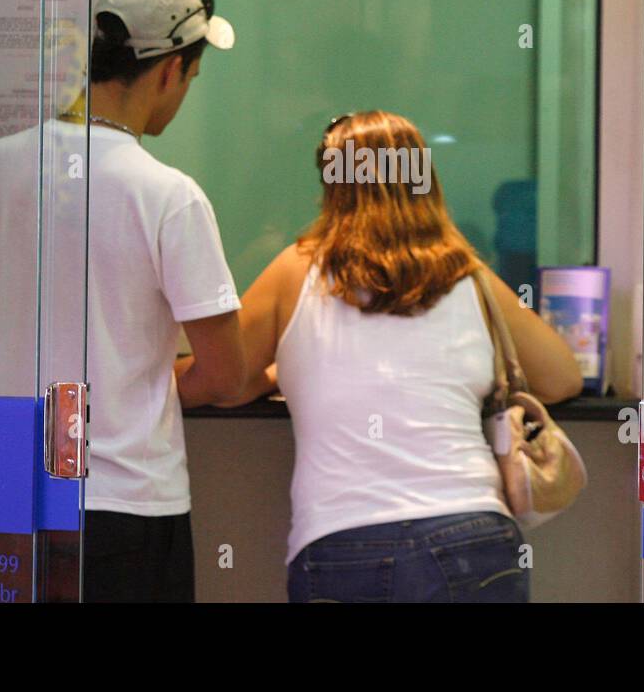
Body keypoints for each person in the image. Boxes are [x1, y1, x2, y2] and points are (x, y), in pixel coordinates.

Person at [0, 0, 248, 601]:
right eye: (191, 77)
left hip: (16, 506)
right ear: (170, 72)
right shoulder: (169, 197)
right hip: (128, 509)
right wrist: (129, 393)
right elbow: (224, 374)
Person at [197, 110, 583, 603]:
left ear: (333, 186)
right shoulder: (468, 275)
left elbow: (223, 377)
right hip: (474, 535)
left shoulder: (296, 270)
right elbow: (563, 377)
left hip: (344, 544)